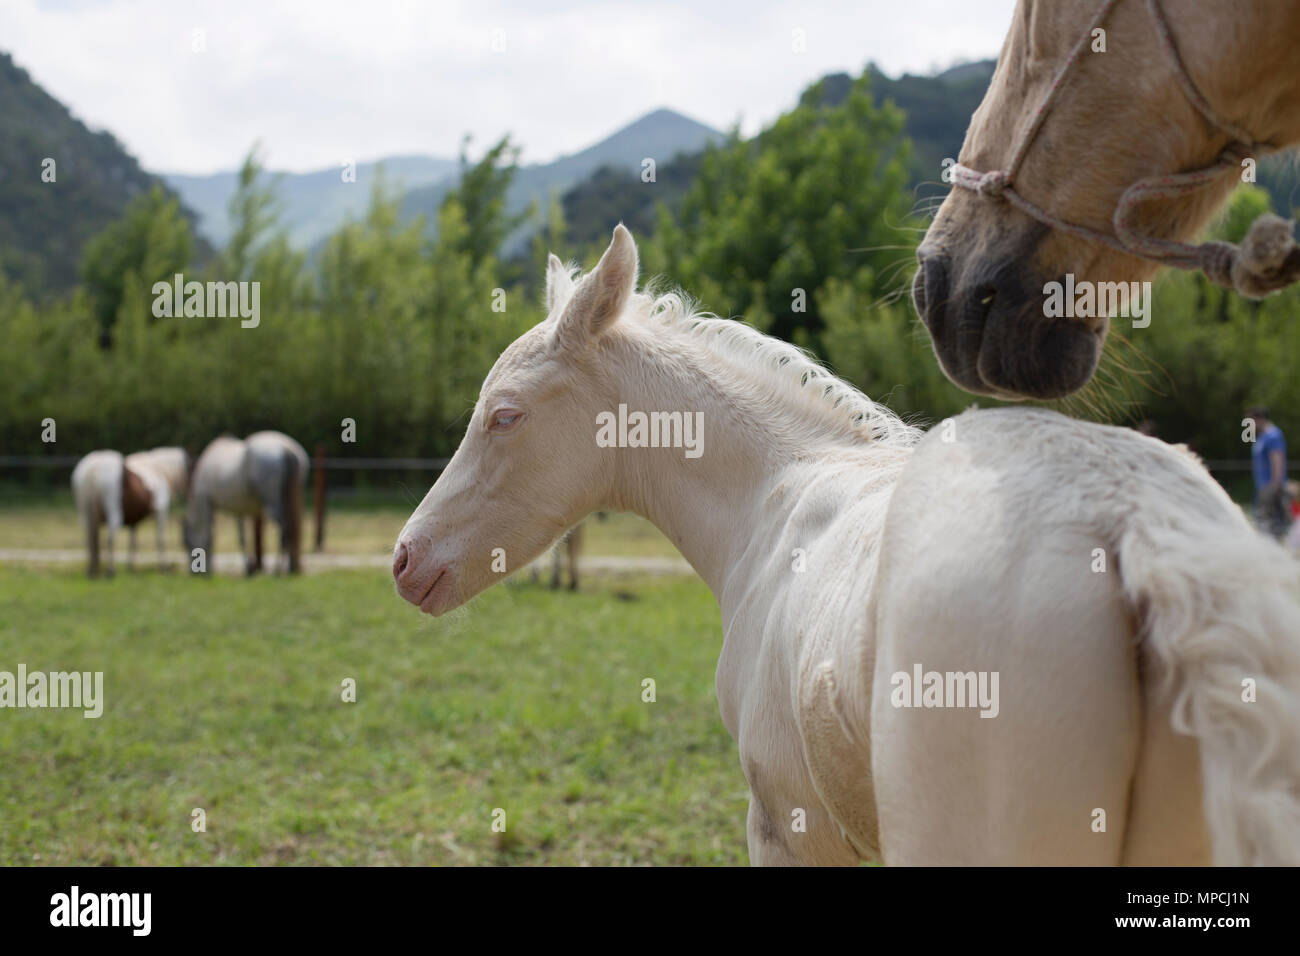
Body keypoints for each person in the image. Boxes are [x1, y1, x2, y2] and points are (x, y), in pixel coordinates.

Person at [1247, 406, 1289, 540]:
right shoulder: (1262, 436)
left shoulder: (1273, 435)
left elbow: (1277, 460)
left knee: (1273, 526)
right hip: (1262, 487)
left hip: (1270, 488)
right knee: (1262, 525)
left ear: (1259, 418)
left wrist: (1274, 485)